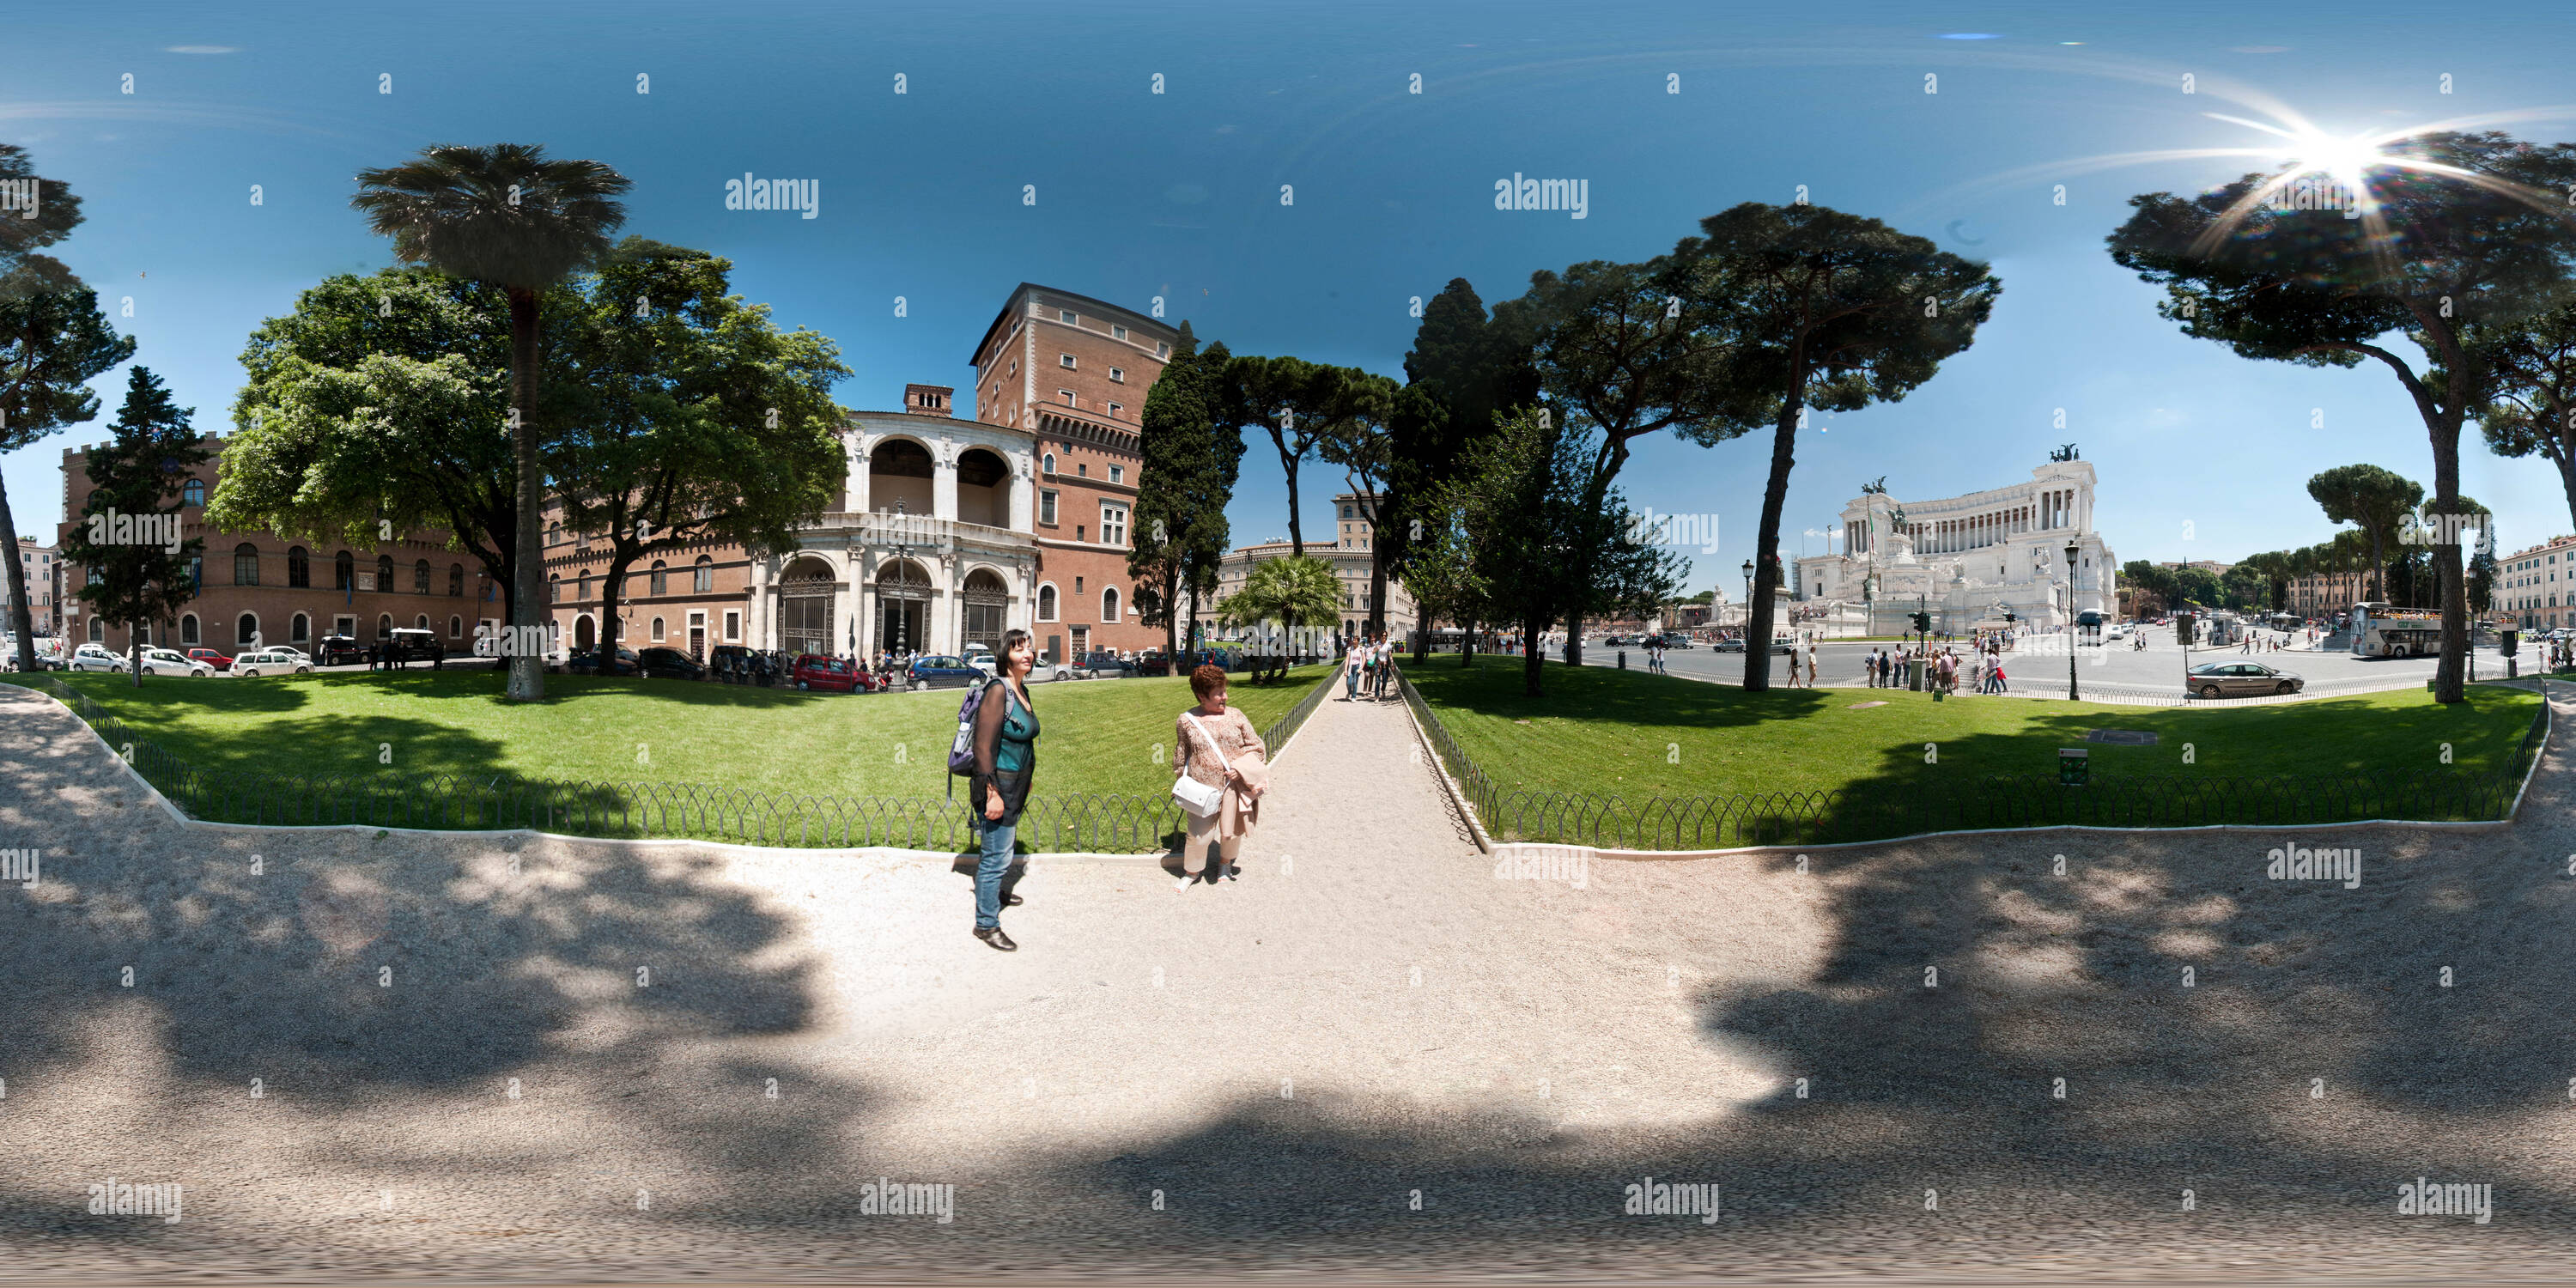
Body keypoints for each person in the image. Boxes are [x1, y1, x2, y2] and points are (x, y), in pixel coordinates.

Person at [967, 629, 1041, 951]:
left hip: (1017, 782)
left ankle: (993, 891)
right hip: (1000, 784)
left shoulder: (1020, 689)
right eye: (1018, 649)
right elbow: (983, 747)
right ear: (1005, 655)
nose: (1027, 654)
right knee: (996, 855)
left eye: (1030, 649)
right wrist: (992, 793)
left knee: (1002, 850)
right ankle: (986, 923)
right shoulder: (999, 690)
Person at [1174, 663, 1270, 888]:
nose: (1225, 697)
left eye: (1224, 691)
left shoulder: (1236, 716)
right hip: (1202, 789)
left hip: (1232, 788)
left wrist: (1240, 769)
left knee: (1231, 832)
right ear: (1202, 696)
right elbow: (1182, 752)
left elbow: (1257, 747)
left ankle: (1225, 864)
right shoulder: (1186, 721)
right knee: (1198, 835)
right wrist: (1180, 779)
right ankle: (1192, 872)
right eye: (1218, 693)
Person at [1343, 637, 1366, 701]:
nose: (1354, 642)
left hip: (1357, 667)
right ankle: (1349, 692)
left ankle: (1354, 697)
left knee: (1355, 682)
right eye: (1353, 640)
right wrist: (1345, 670)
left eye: (1355, 641)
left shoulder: (1361, 649)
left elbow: (1364, 659)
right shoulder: (1350, 649)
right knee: (1349, 683)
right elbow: (1347, 659)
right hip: (1350, 667)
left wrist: (1361, 668)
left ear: (1358, 642)